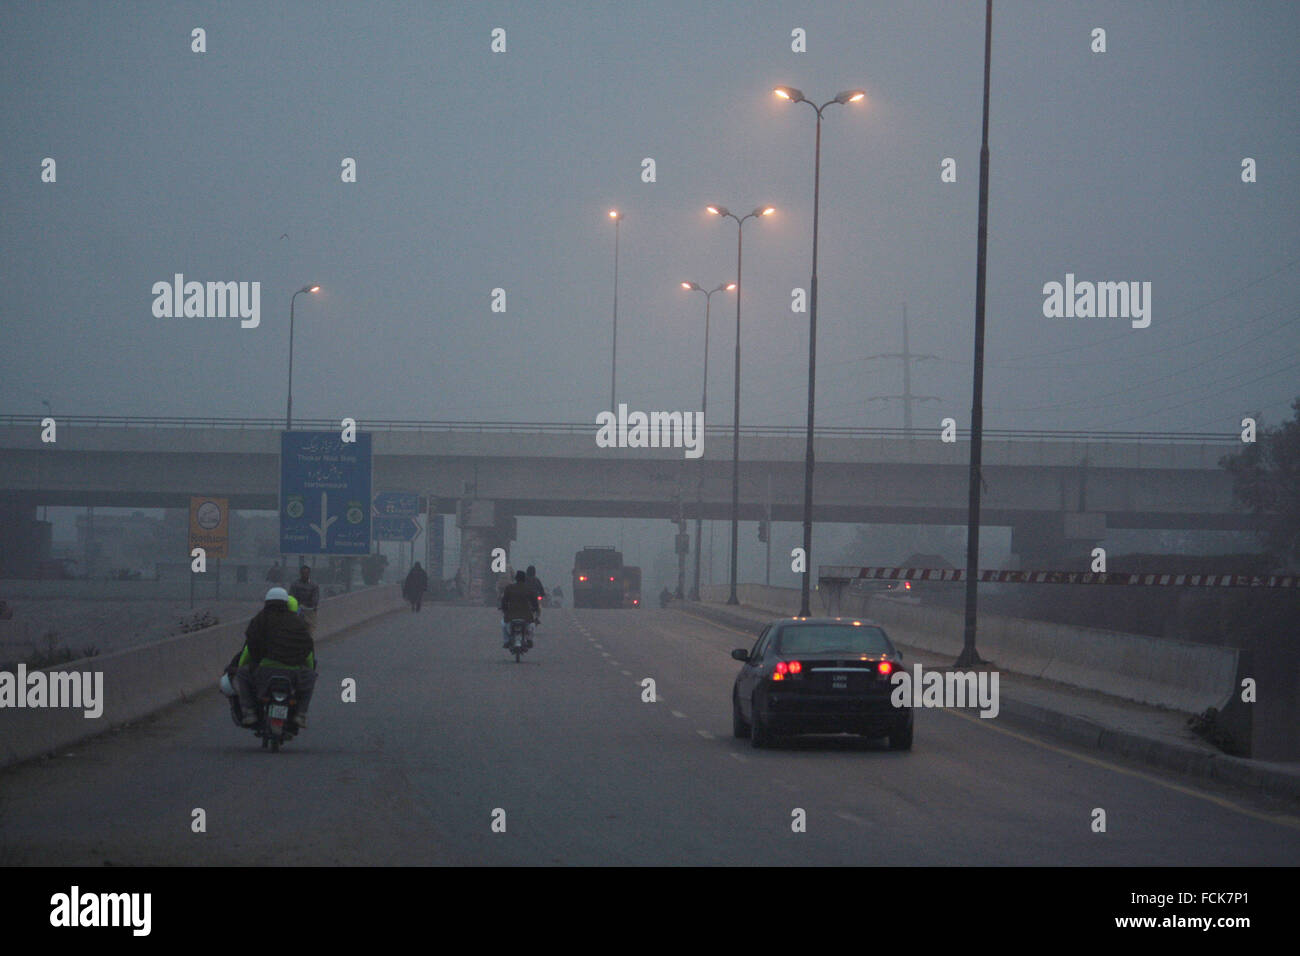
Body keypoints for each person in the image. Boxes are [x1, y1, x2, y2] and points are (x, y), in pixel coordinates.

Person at [233, 587, 317, 728]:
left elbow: (251, 645)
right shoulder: (297, 622)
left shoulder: (260, 619)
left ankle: (249, 712)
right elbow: (307, 646)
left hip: (265, 671)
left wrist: (256, 661)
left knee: (242, 673)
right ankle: (300, 714)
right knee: (311, 676)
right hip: (293, 673)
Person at [499, 570, 539, 648]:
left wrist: (504, 609)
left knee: (503, 624)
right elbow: (534, 602)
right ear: (524, 579)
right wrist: (535, 609)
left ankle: (506, 641)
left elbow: (504, 601)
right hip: (526, 616)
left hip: (511, 615)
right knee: (532, 625)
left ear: (516, 578)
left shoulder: (509, 588)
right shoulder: (529, 589)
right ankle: (529, 639)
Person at [288, 564, 320, 632]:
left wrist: (313, 605)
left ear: (309, 574)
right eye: (303, 573)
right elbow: (291, 597)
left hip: (309, 610)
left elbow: (315, 598)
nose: (305, 575)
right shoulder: (295, 584)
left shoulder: (314, 585)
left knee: (311, 627)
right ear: (300, 573)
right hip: (297, 609)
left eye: (306, 573)